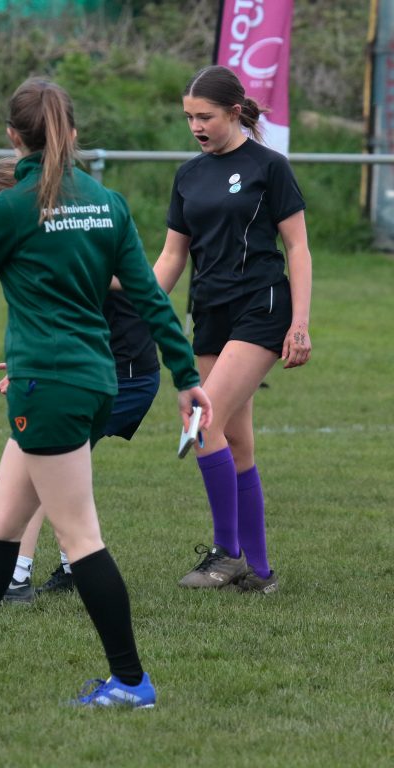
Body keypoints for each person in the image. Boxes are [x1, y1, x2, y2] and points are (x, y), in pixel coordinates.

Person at [0, 78, 213, 708]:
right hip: (95, 380)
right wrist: (186, 377)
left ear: (13, 138)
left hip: (45, 387)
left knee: (80, 538)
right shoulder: (107, 203)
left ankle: (131, 681)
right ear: (72, 134)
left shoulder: (12, 207)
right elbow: (152, 299)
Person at [0, 157, 161, 603]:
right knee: (55, 472)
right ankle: (70, 567)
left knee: (36, 459)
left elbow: (112, 289)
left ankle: (14, 576)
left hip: (118, 373)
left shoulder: (75, 237)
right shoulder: (53, 238)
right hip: (86, 371)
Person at [154, 65, 311, 594]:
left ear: (235, 112)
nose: (196, 126)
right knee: (236, 441)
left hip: (262, 307)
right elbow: (173, 256)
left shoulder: (269, 166)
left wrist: (301, 323)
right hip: (210, 314)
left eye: (206, 117)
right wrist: (137, 302)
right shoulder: (188, 175)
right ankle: (260, 572)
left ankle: (227, 556)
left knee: (202, 417)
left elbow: (298, 248)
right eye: (189, 117)